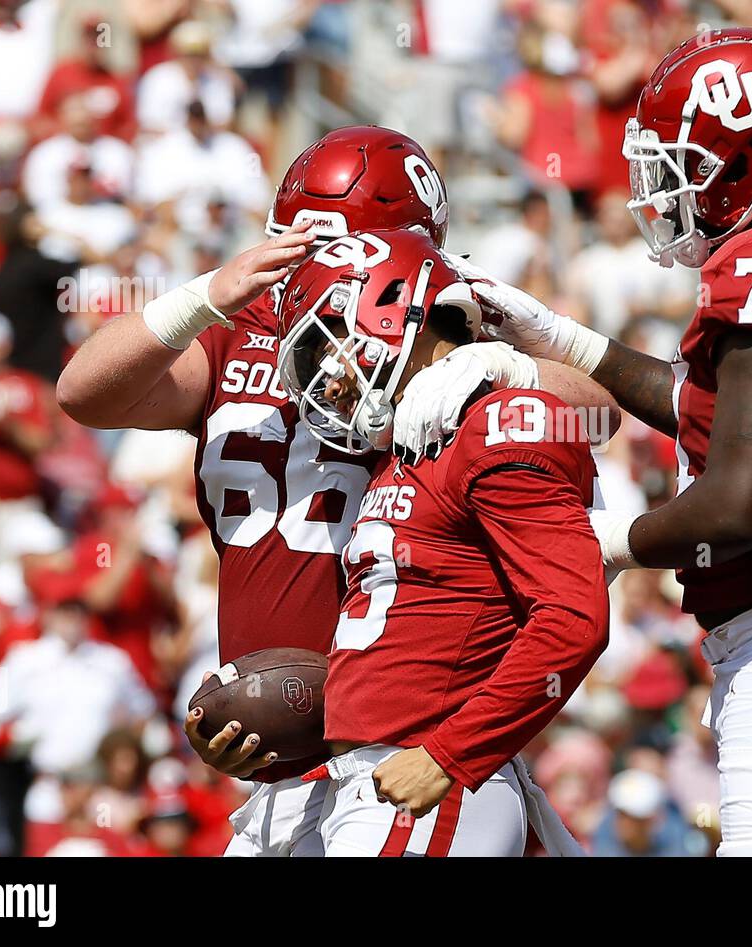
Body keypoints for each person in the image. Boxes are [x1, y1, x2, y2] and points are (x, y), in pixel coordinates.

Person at [395, 29, 752, 857]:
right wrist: (557, 340)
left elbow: (738, 505)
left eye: (690, 161)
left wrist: (602, 542)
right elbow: (723, 412)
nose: (665, 186)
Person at [57, 125, 610, 856]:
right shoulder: (240, 331)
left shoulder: (441, 352)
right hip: (282, 763)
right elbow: (83, 392)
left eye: (342, 251)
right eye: (302, 247)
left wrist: (490, 361)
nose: (319, 272)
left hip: (403, 737)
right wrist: (201, 296)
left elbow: (587, 410)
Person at [274, 230, 608, 856]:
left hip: (427, 785)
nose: (328, 381)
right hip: (371, 781)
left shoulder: (496, 422)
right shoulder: (407, 445)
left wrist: (449, 756)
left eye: (329, 347)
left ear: (390, 312)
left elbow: (574, 618)